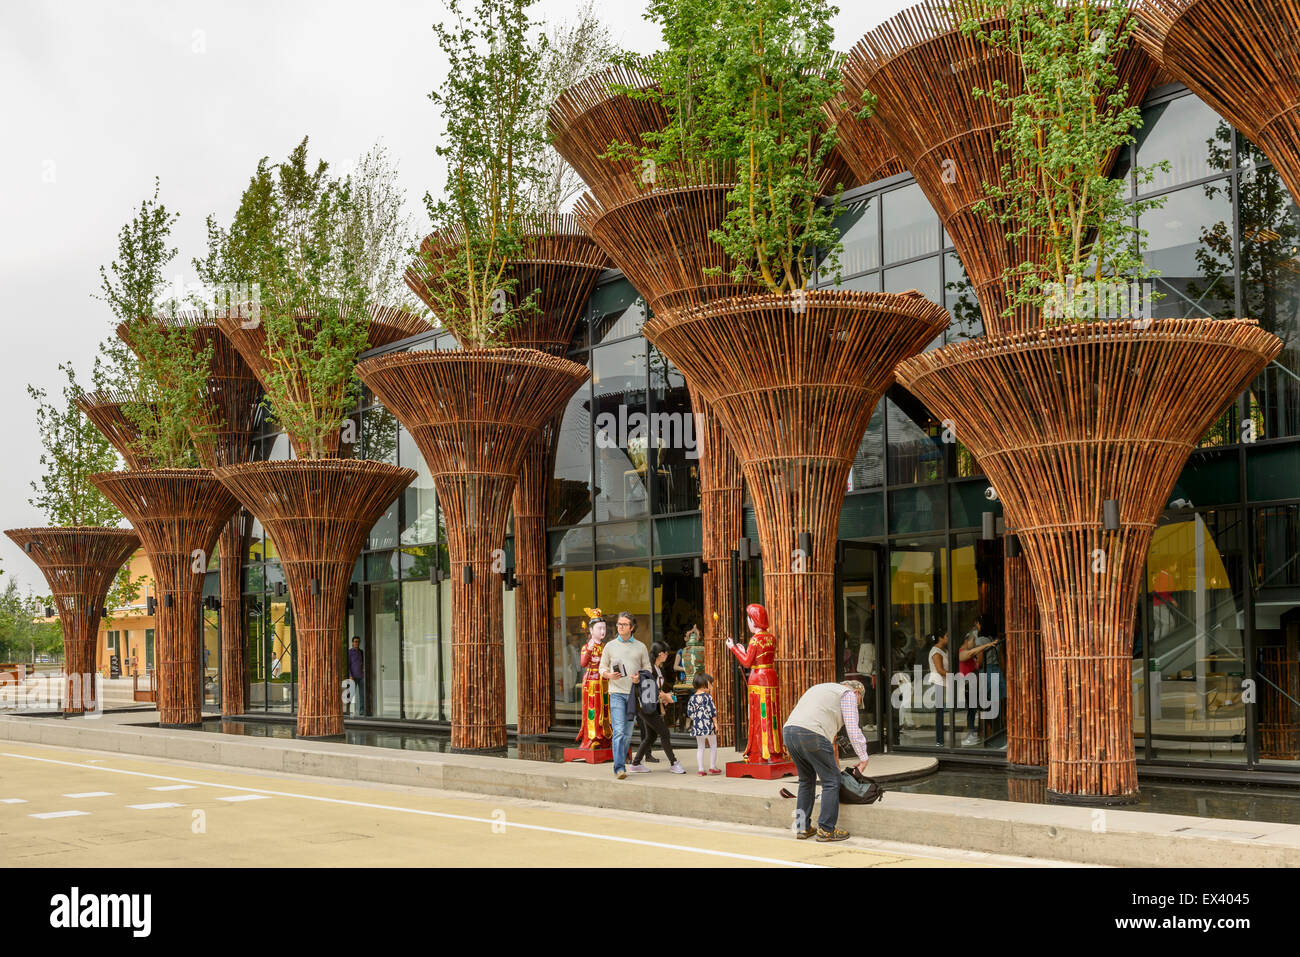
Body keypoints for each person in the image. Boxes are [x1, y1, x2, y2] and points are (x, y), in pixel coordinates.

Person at [782, 680, 870, 842]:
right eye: (859, 704)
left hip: (789, 732)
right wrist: (863, 757)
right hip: (812, 734)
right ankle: (826, 829)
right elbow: (852, 727)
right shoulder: (848, 694)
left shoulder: (821, 688)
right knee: (831, 781)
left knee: (806, 780)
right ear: (857, 693)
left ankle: (802, 827)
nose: (857, 706)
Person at [599, 611, 652, 779]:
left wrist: (639, 677)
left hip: (633, 695)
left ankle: (620, 762)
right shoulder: (610, 646)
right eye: (618, 624)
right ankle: (619, 768)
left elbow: (648, 669)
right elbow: (602, 668)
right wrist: (608, 675)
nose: (620, 627)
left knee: (628, 733)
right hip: (616, 693)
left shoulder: (641, 647)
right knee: (619, 731)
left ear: (632, 627)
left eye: (624, 624)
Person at [628, 642, 686, 773]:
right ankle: (674, 763)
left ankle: (636, 763)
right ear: (661, 654)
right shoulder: (650, 670)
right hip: (645, 707)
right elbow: (649, 691)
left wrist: (663, 698)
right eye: (666, 653)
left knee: (651, 736)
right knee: (664, 733)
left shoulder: (657, 668)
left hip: (649, 707)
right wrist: (665, 696)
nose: (667, 656)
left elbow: (655, 690)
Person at [574, 608, 612, 752]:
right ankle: (592, 737)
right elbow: (583, 663)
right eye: (599, 628)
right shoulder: (587, 646)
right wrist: (589, 650)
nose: (603, 631)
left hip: (604, 682)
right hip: (592, 682)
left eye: (604, 628)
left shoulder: (605, 647)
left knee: (605, 709)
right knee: (593, 710)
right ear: (591, 630)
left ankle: (604, 737)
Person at [957, 626, 999, 746]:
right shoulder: (962, 652)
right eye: (973, 641)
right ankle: (970, 734)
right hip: (968, 685)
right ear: (967, 640)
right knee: (971, 711)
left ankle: (974, 734)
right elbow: (971, 652)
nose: (974, 643)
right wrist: (988, 645)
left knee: (975, 710)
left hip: (973, 685)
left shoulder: (969, 655)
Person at [686, 672, 720, 776]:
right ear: (705, 683)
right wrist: (715, 723)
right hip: (708, 725)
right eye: (710, 683)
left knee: (700, 747)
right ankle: (712, 767)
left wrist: (697, 719)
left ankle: (701, 769)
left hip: (697, 726)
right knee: (713, 745)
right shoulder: (708, 697)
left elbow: (689, 713)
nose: (711, 686)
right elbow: (712, 712)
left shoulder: (692, 698)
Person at [927, 632, 950, 746]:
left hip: (946, 683)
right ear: (940, 638)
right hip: (939, 683)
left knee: (943, 710)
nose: (949, 638)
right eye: (946, 636)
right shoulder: (936, 652)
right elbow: (940, 670)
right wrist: (955, 675)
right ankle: (939, 740)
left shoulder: (944, 650)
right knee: (940, 711)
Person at [347, 636, 364, 716]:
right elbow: (348, 665)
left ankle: (362, 710)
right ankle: (347, 709)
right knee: (351, 693)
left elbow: (362, 663)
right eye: (355, 641)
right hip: (353, 676)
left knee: (362, 694)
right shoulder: (350, 652)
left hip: (361, 676)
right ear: (352, 643)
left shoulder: (361, 652)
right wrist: (350, 675)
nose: (357, 643)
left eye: (358, 641)